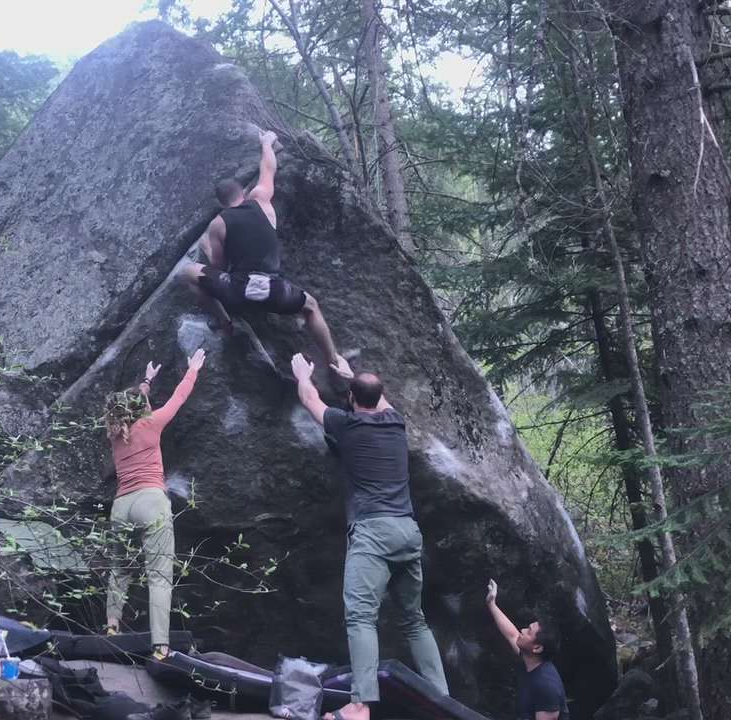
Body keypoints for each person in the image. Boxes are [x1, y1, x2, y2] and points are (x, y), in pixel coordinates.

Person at [289, 352, 448, 720]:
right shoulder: (395, 424)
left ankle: (360, 706)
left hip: (373, 532)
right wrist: (349, 376)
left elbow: (309, 399)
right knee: (414, 619)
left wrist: (302, 374)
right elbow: (377, 400)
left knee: (361, 617)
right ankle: (442, 697)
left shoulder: (346, 426)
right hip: (408, 532)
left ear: (351, 402)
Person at [181, 128, 341, 368]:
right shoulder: (262, 201)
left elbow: (218, 267)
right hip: (275, 291)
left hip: (239, 292)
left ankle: (225, 324)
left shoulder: (219, 223)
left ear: (221, 204)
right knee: (311, 306)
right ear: (244, 193)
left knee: (189, 273)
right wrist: (267, 142)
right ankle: (334, 359)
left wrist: (206, 245)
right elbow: (268, 169)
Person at [104, 348, 206, 659]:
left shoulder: (116, 433)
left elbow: (132, 403)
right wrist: (193, 368)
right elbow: (179, 396)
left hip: (121, 507)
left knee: (119, 569)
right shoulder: (152, 424)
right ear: (143, 409)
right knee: (160, 576)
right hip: (151, 502)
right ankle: (160, 647)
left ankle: (111, 627)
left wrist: (147, 380)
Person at [485, 579, 569, 720]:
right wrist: (491, 603)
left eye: (528, 631)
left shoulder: (546, 686)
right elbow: (512, 634)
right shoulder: (530, 659)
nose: (522, 630)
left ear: (537, 648)